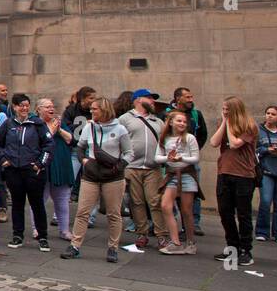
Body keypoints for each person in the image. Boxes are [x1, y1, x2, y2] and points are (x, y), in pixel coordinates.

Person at [62, 97, 133, 262]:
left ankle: (113, 248)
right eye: (91, 109)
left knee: (114, 214)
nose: (92, 112)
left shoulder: (120, 129)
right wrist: (84, 161)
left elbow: (129, 152)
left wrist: (119, 166)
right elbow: (80, 147)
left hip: (113, 177)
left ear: (104, 110)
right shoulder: (89, 126)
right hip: (91, 175)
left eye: (95, 109)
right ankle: (75, 245)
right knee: (82, 212)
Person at [0, 93, 53, 252]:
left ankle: (42, 237)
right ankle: (17, 235)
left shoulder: (38, 123)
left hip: (32, 171)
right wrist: (3, 160)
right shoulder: (8, 124)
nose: (24, 108)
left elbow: (48, 144)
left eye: (27, 105)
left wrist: (40, 164)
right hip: (13, 170)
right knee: (17, 203)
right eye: (21, 105)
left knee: (37, 204)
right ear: (14, 107)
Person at [211, 96, 258, 267]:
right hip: (224, 173)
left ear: (235, 110)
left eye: (227, 110)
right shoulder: (224, 124)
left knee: (243, 214)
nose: (224, 112)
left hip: (243, 176)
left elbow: (235, 143)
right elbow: (214, 142)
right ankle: (232, 248)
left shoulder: (249, 126)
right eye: (223, 109)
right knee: (225, 212)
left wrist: (229, 123)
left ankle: (246, 250)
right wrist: (224, 122)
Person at [118, 89, 167, 248]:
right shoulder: (124, 119)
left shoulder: (158, 121)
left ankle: (161, 235)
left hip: (153, 168)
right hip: (131, 167)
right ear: (138, 100)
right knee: (136, 202)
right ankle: (142, 233)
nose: (153, 101)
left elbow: (165, 142)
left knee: (155, 201)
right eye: (149, 98)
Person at [156, 109, 200, 255]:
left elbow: (195, 158)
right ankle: (175, 242)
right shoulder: (165, 138)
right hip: (172, 175)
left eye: (184, 121)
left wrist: (182, 158)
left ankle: (191, 242)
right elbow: (157, 157)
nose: (182, 123)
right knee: (165, 205)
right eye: (179, 120)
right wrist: (168, 158)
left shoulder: (190, 138)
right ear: (171, 122)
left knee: (186, 210)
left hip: (187, 175)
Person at [169, 86, 208, 235]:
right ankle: (170, 222)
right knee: (169, 192)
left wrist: (193, 152)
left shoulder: (196, 114)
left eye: (191, 97)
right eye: (188, 97)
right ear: (178, 98)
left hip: (191, 161)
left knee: (193, 191)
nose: (191, 100)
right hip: (171, 161)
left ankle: (194, 223)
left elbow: (203, 134)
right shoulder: (166, 114)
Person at [39, 98, 75, 241]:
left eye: (52, 106)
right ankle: (38, 229)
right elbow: (42, 139)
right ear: (39, 109)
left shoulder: (60, 123)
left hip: (61, 164)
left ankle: (64, 230)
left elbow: (70, 140)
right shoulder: (36, 123)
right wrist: (52, 130)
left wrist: (59, 129)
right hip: (44, 166)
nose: (51, 109)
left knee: (63, 200)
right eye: (47, 107)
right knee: (40, 200)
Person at [257, 105, 277, 243]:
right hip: (265, 170)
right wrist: (267, 150)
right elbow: (254, 150)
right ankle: (262, 231)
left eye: (273, 114)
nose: (269, 116)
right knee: (266, 201)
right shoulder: (258, 131)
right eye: (267, 113)